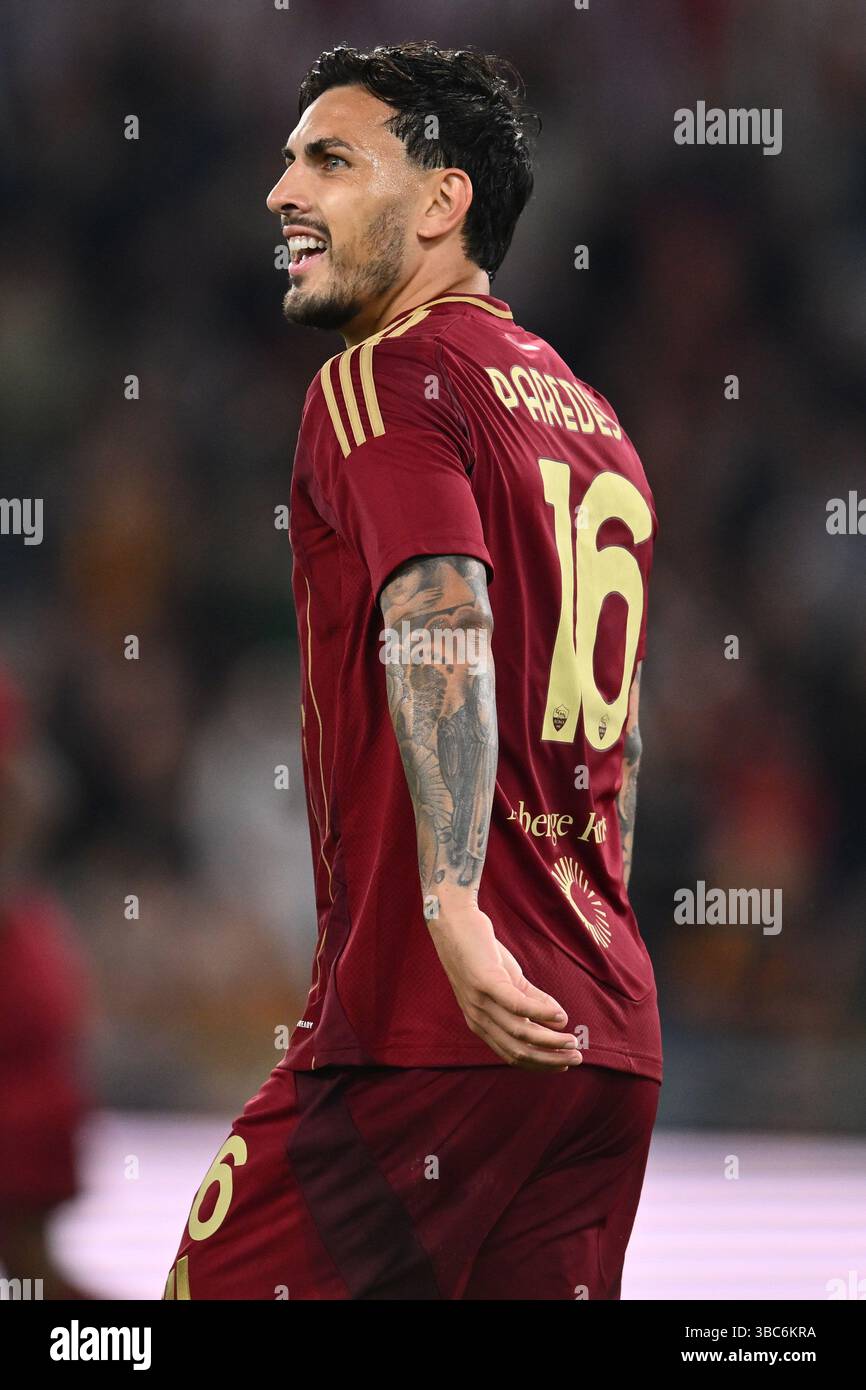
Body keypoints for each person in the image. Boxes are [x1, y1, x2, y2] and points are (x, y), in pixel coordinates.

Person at [164, 40, 661, 1302]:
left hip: (426, 1030)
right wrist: (582, 941)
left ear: (442, 203)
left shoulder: (382, 379)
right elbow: (624, 745)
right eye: (285, 160)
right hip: (601, 1038)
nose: (282, 191)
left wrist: (451, 910)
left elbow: (440, 608)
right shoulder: (596, 424)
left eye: (330, 159)